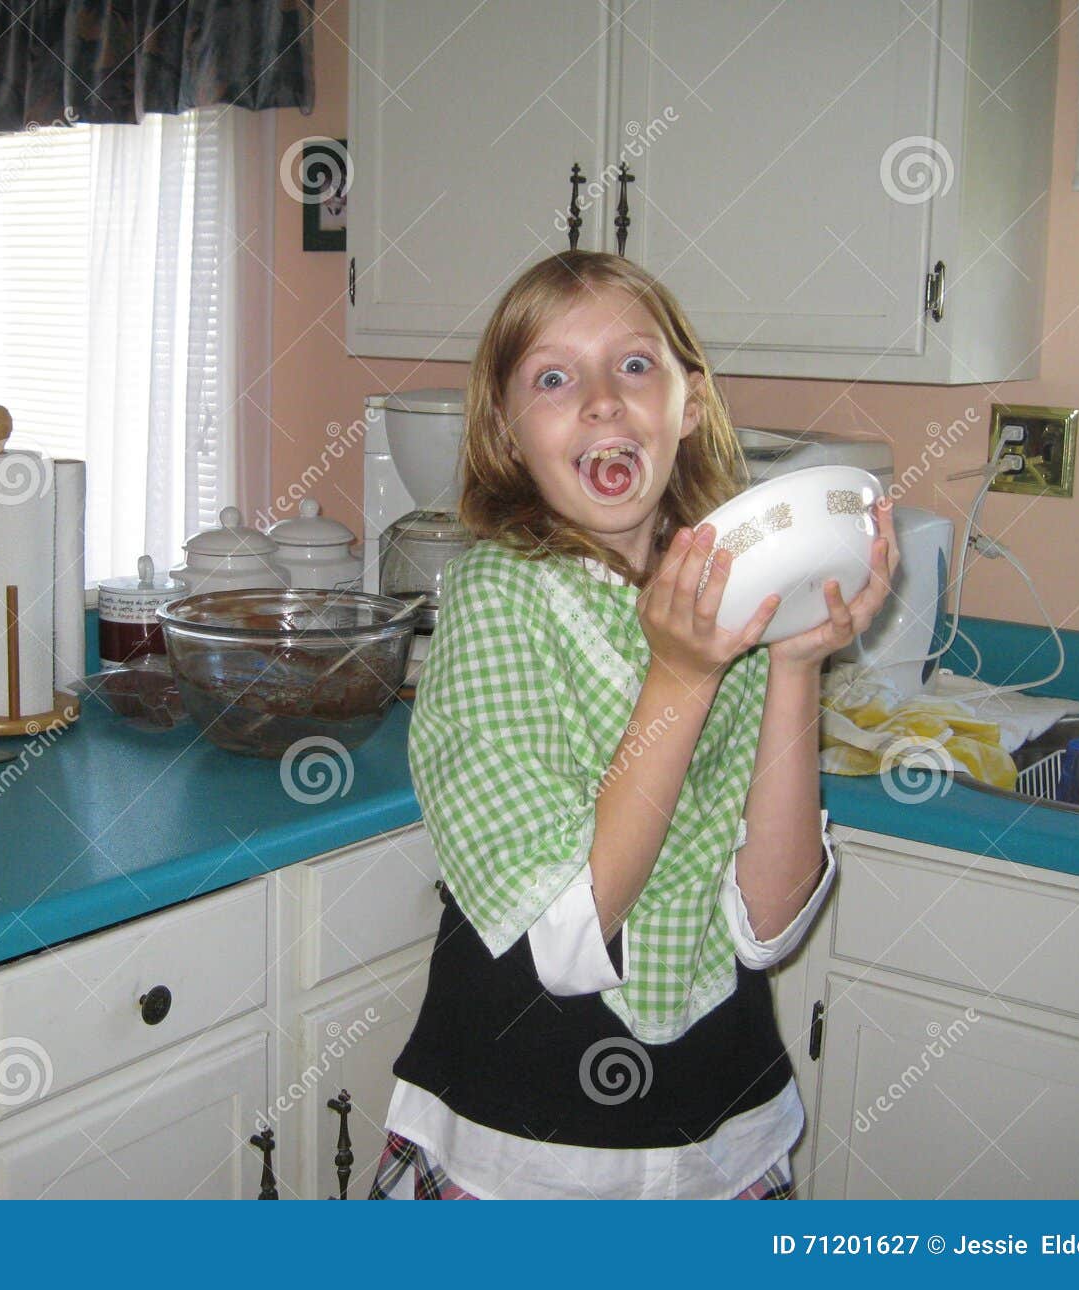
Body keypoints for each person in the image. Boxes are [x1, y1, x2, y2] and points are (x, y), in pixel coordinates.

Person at [368, 251, 899, 1201]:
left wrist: (794, 661)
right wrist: (682, 677)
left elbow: (769, 925)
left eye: (635, 364)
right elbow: (566, 937)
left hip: (722, 1133)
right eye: (554, 378)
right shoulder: (497, 599)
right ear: (507, 431)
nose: (603, 400)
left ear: (689, 404)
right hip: (523, 1146)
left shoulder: (725, 597)